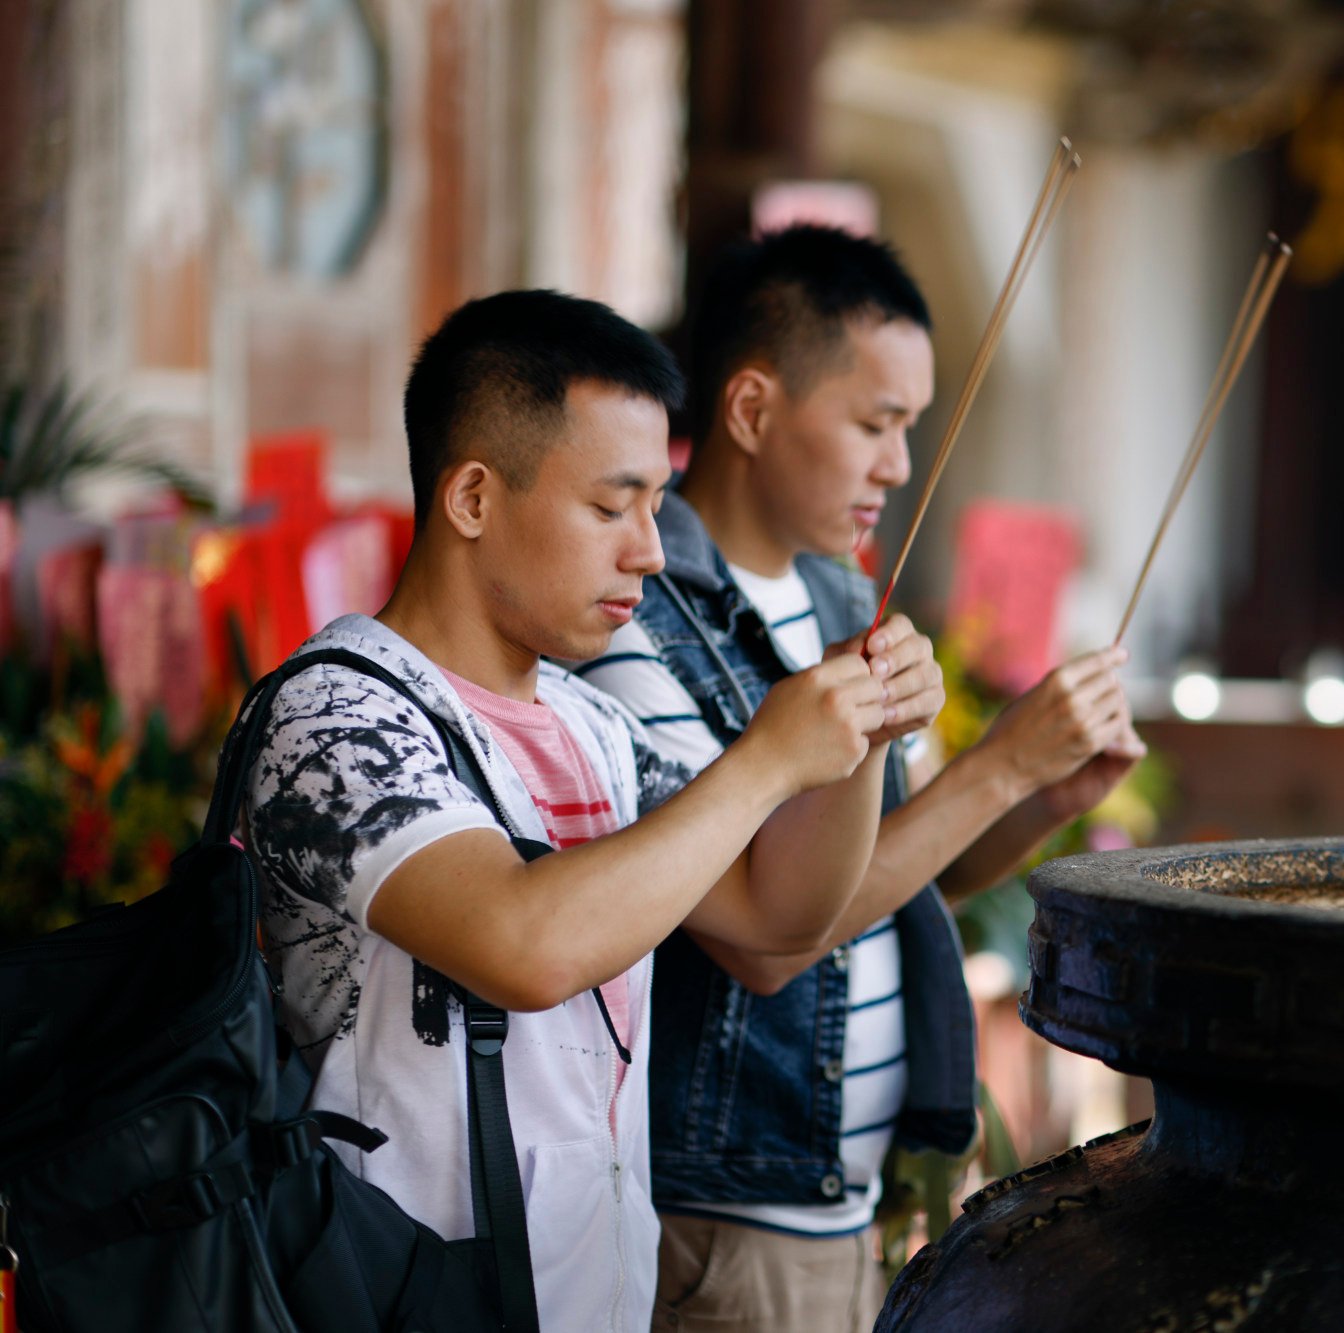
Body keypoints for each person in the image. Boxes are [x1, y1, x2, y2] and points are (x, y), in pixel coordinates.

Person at [242, 289, 943, 1332]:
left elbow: (774, 918)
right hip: (395, 1295)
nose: (650, 552)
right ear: (473, 497)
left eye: (659, 506)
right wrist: (762, 762)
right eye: (612, 508)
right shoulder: (335, 715)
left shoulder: (591, 726)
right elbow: (523, 943)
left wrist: (856, 739)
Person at [579, 225, 1144, 1333]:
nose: (897, 465)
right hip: (724, 1204)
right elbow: (768, 935)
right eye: (875, 424)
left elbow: (904, 873)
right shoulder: (637, 614)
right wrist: (995, 765)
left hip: (853, 1194)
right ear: (748, 410)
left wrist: (1043, 792)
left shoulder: (844, 601)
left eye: (910, 429)